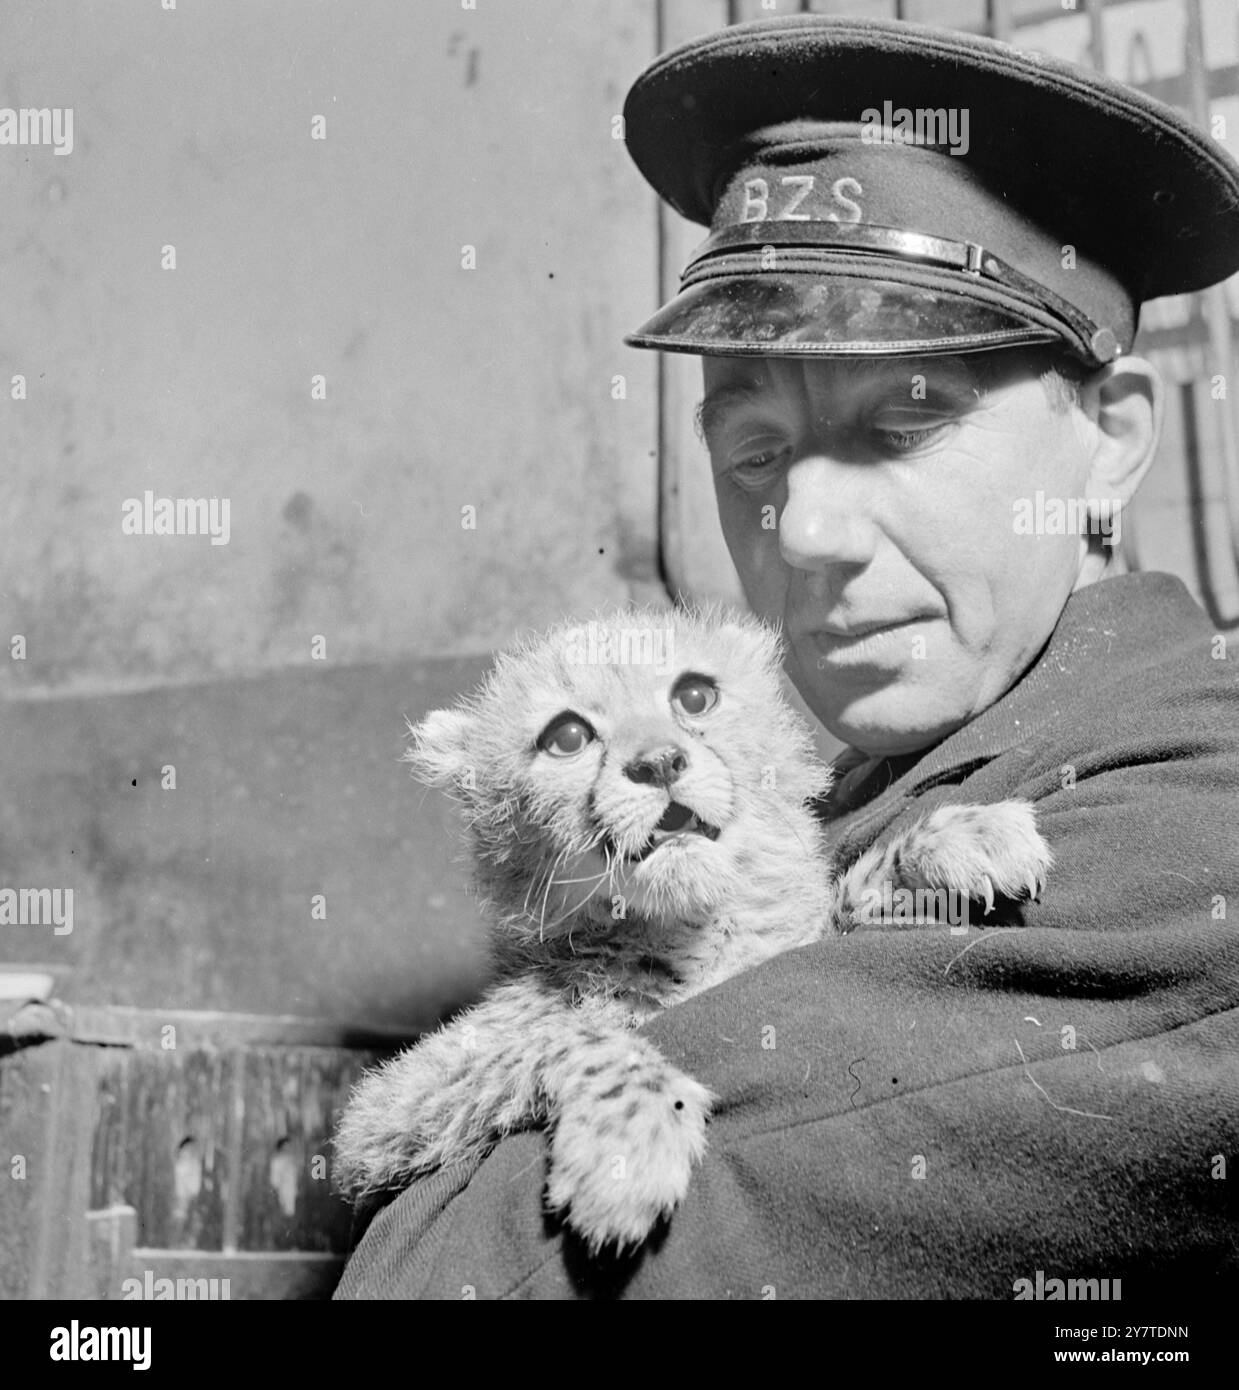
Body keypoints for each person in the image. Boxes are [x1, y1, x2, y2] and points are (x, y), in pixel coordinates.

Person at [335, 15, 1239, 1299]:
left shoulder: (1195, 827)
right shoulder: (865, 784)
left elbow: (450, 1281)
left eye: (906, 419)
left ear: (1112, 441)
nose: (804, 532)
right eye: (754, 452)